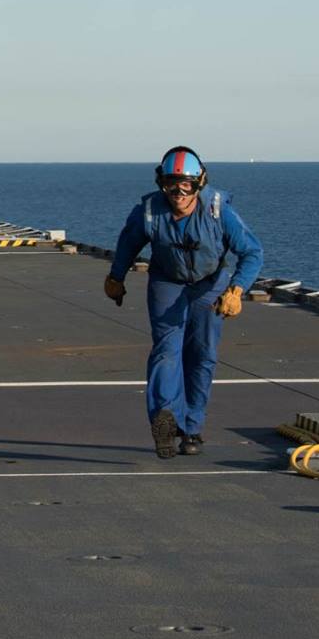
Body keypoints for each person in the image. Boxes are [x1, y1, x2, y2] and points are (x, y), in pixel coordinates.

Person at [103, 146, 264, 460]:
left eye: (186, 184)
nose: (178, 191)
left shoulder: (219, 211)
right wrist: (116, 276)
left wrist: (236, 290)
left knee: (202, 356)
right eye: (171, 183)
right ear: (162, 182)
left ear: (199, 183)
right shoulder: (149, 211)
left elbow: (252, 252)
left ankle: (192, 428)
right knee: (166, 351)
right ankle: (165, 415)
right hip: (167, 283)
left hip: (211, 286)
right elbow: (128, 243)